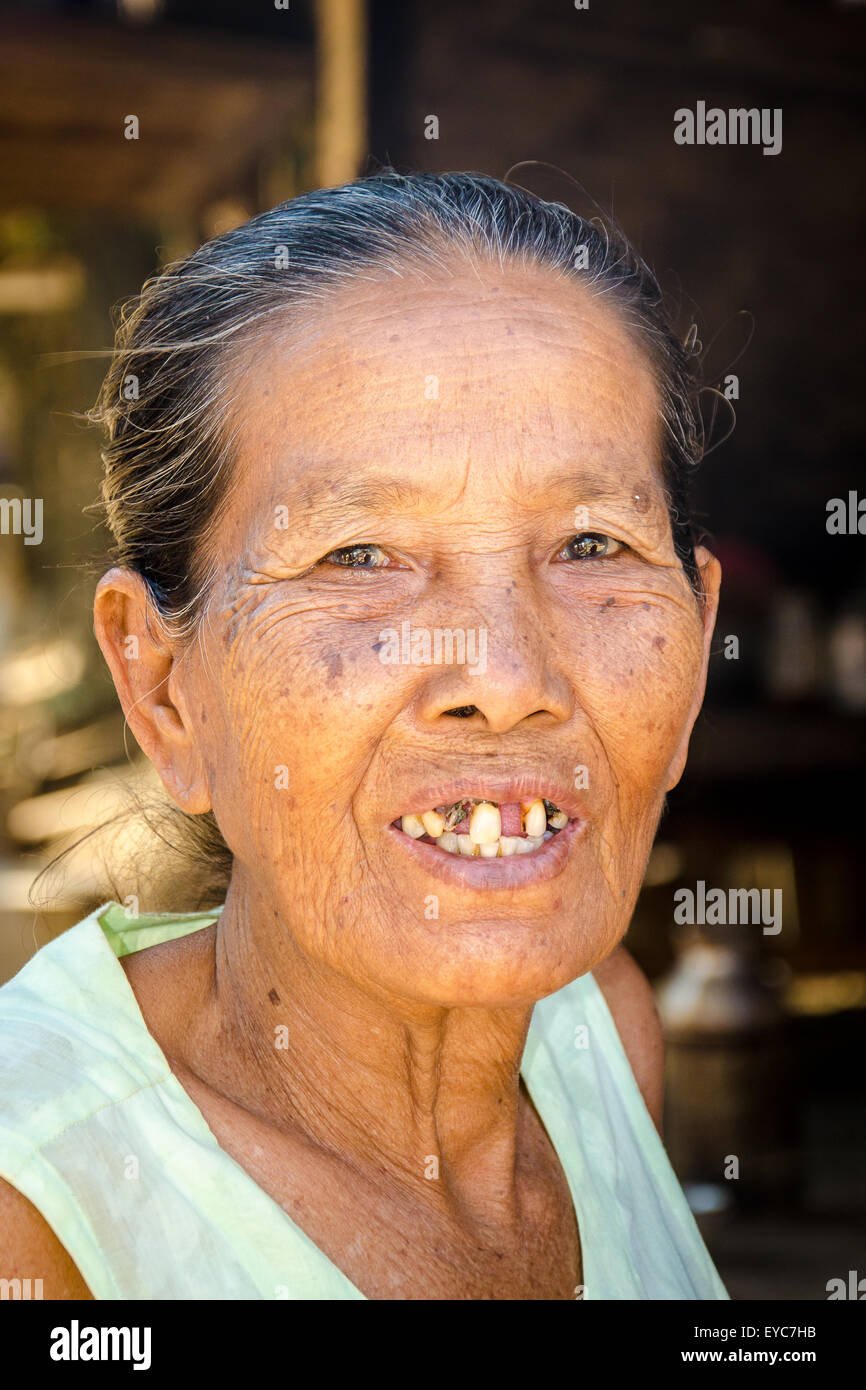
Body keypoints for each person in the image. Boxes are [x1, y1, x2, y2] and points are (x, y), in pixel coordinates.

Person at [0, 170, 727, 1300]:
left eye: (590, 545)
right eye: (357, 557)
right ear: (161, 689)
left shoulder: (596, 1036)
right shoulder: (37, 1205)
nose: (504, 677)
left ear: (696, 646)